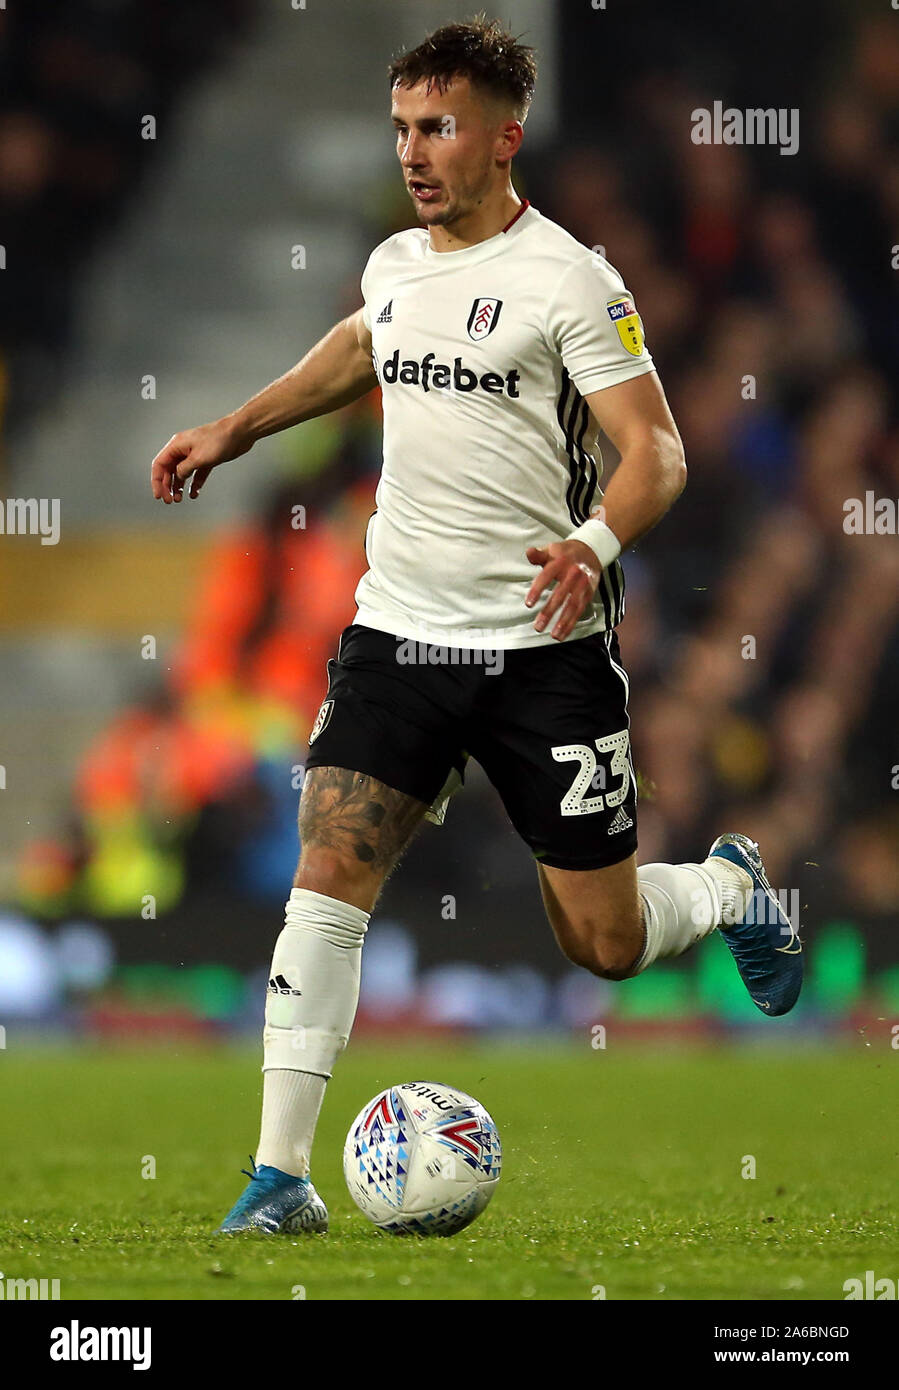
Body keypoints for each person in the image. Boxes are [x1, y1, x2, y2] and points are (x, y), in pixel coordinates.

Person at [150, 17, 802, 1235]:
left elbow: (654, 451)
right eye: (401, 127)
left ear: (503, 139)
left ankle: (722, 888)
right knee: (327, 872)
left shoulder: (572, 281)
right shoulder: (396, 261)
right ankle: (279, 1177)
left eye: (436, 128)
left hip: (542, 653)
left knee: (600, 943)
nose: (412, 151)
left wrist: (594, 545)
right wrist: (236, 429)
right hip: (395, 635)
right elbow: (364, 344)